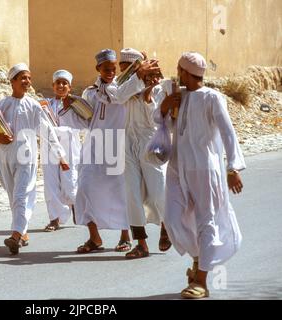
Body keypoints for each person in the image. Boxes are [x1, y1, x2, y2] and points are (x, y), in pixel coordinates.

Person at [158, 52, 245, 299]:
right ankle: (199, 257)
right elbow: (159, 121)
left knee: (206, 221)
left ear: (186, 71)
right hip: (177, 167)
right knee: (172, 218)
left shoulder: (212, 98)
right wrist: (165, 106)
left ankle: (202, 281)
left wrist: (233, 168)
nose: (176, 72)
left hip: (205, 168)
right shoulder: (178, 95)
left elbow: (228, 134)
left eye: (179, 69)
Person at [71, 49, 160, 254]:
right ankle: (94, 238)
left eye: (114, 69)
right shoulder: (90, 92)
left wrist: (141, 70)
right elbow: (87, 119)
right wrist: (71, 107)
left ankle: (125, 236)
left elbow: (118, 96)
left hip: (119, 145)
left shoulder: (125, 88)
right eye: (107, 69)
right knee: (84, 189)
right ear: (98, 69)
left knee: (121, 191)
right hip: (94, 146)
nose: (111, 72)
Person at [0, 63, 69, 255]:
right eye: (23, 78)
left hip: (26, 158)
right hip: (4, 158)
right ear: (12, 81)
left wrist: (60, 155)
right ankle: (23, 232)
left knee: (21, 196)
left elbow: (47, 131)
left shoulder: (34, 106)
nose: (27, 81)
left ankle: (16, 235)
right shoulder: (2, 105)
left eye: (29, 78)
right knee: (14, 197)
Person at [119, 48, 171, 259]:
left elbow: (158, 119)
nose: (123, 72)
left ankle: (166, 226)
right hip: (128, 141)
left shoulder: (158, 87)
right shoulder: (125, 85)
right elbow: (118, 96)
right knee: (132, 193)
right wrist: (137, 81)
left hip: (150, 141)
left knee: (158, 190)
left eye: (128, 68)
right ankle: (141, 244)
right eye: (122, 68)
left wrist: (148, 95)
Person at [40, 70, 89, 232]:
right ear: (53, 86)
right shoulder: (45, 104)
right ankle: (54, 219)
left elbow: (86, 123)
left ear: (70, 86)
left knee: (70, 178)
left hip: (69, 144)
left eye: (64, 83)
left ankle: (76, 208)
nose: (61, 86)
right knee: (51, 182)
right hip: (49, 145)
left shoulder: (75, 104)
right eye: (58, 83)